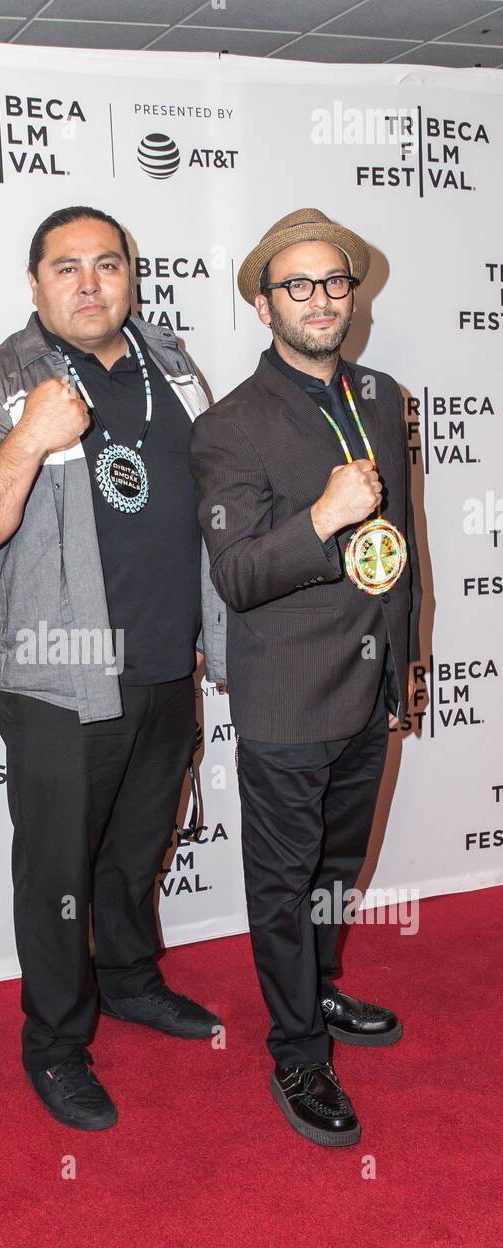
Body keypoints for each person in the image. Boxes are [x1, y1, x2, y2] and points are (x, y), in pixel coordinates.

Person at [0, 206, 225, 1132]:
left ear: (132, 276)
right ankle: (55, 1040)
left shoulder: (173, 365)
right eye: (68, 267)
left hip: (163, 662)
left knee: (138, 846)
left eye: (109, 265)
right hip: (61, 679)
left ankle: (133, 980)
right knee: (57, 865)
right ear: (35, 283)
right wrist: (30, 438)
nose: (91, 284)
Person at [189, 208, 421, 1147]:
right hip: (289, 693)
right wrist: (322, 517)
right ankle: (295, 1048)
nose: (321, 300)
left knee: (336, 867)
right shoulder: (229, 428)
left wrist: (402, 661)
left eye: (336, 283)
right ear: (262, 303)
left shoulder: (381, 389)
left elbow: (403, 547)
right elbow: (238, 573)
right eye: (299, 286)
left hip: (369, 685)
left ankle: (318, 993)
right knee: (284, 883)